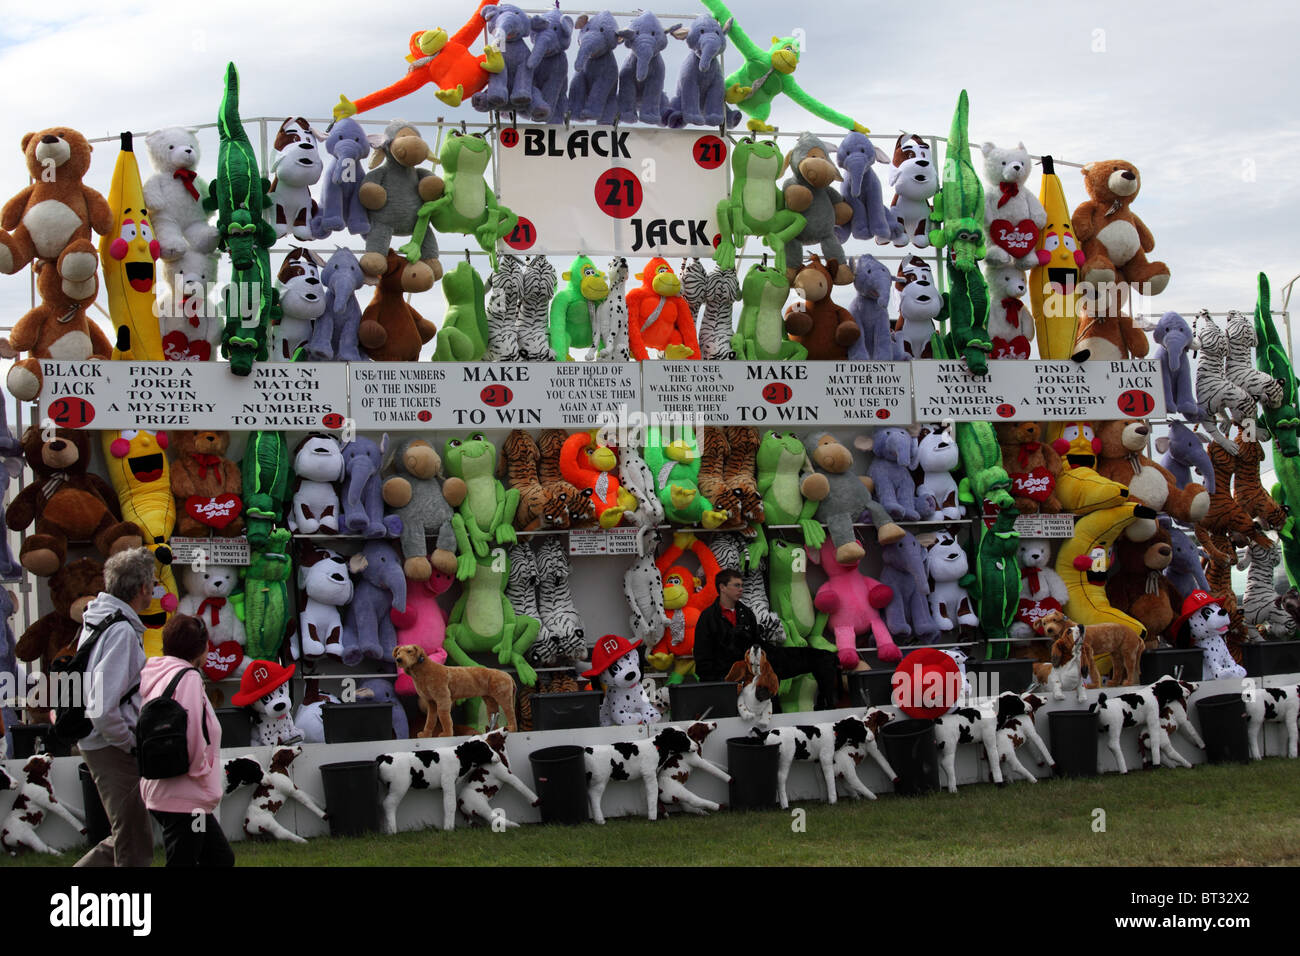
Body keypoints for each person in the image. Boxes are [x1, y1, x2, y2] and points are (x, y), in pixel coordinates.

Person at [74, 547, 156, 868]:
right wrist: (129, 743)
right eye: (152, 583)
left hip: (100, 741)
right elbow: (102, 706)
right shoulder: (121, 631)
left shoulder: (100, 619)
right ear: (142, 589)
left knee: (129, 833)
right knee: (134, 841)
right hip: (111, 745)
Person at [139, 614, 233, 867]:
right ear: (201, 646)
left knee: (218, 858)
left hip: (166, 789)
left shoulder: (156, 673)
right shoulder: (188, 678)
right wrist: (200, 771)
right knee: (188, 861)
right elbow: (194, 733)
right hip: (186, 794)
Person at [694, 568, 842, 711]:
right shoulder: (707, 617)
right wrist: (714, 682)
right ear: (722, 587)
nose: (741, 589)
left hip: (752, 678)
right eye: (736, 585)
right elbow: (702, 654)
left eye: (742, 585)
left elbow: (758, 644)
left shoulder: (746, 613)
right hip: (724, 680)